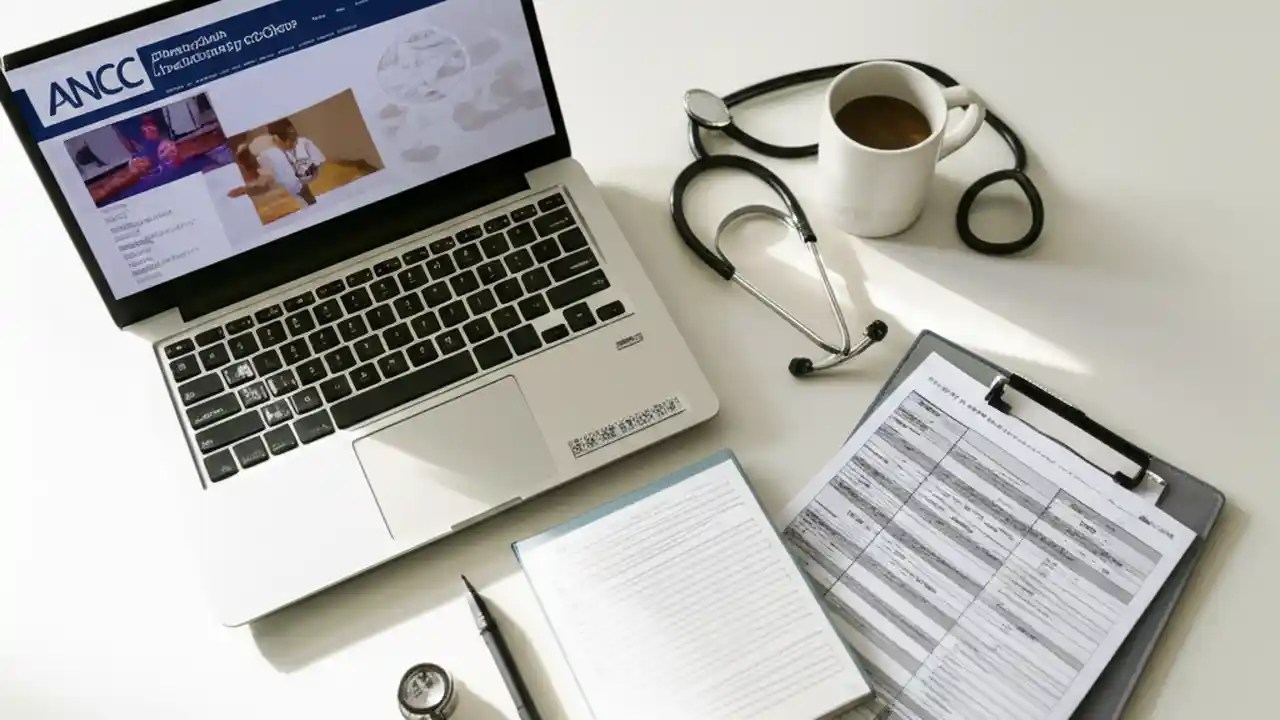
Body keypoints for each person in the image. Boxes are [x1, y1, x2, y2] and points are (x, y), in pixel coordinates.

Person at [267, 118, 325, 205]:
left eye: (292, 129)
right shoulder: (276, 153)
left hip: (314, 183)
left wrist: (308, 168)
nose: (292, 132)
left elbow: (319, 160)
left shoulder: (304, 142)